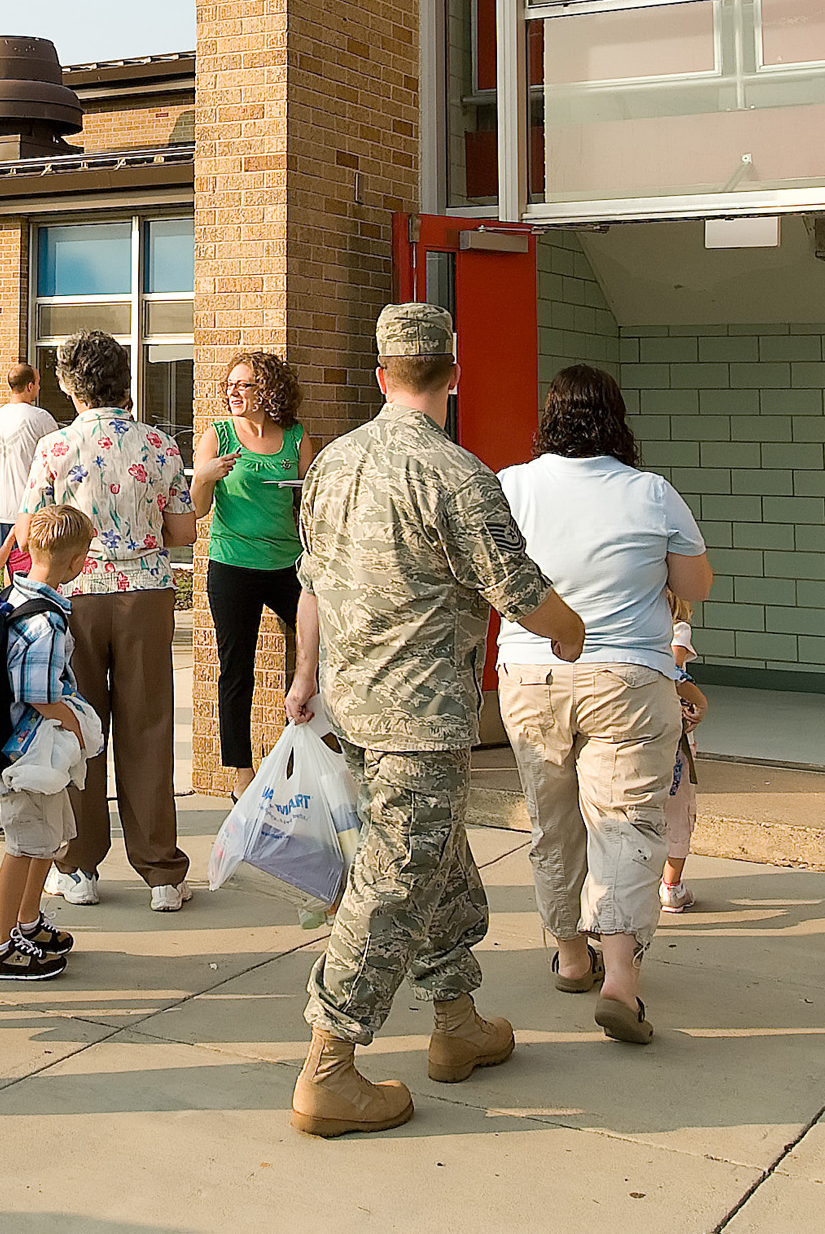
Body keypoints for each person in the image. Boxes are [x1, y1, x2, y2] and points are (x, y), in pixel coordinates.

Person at [284, 302, 585, 1139]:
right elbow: (519, 591)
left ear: (382, 375)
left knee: (440, 863)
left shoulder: (333, 465)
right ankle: (328, 1068)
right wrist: (575, 632)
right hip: (421, 717)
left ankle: (455, 1023)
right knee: (394, 883)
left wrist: (305, 676)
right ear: (453, 374)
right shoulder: (455, 475)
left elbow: (310, 583)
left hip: (356, 709)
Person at [495, 363, 712, 1046]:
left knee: (551, 823)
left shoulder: (512, 485)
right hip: (628, 678)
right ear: (617, 418)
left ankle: (568, 955)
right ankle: (619, 978)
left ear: (551, 416)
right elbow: (694, 585)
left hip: (531, 676)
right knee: (623, 822)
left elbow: (487, 577)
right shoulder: (651, 493)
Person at [19, 326, 197, 911]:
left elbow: (30, 532)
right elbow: (181, 532)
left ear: (71, 386)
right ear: (126, 381)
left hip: (76, 594)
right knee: (148, 727)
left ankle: (78, 866)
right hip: (146, 592)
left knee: (77, 724)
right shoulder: (161, 445)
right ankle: (162, 872)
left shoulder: (55, 449)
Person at [190, 348, 317, 796]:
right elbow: (198, 510)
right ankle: (242, 778)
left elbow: (310, 504)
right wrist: (203, 475)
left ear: (267, 389)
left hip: (288, 566)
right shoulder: (219, 435)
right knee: (236, 669)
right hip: (233, 565)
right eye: (229, 385)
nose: (233, 392)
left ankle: (315, 753)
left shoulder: (296, 437)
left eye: (243, 384)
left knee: (318, 649)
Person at [0, 503, 96, 982]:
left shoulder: (15, 597)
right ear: (78, 565)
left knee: (45, 842)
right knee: (23, 846)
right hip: (25, 752)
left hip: (25, 750)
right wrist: (73, 721)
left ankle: (27, 922)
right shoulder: (44, 623)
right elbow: (37, 693)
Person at [0, 362, 57, 558]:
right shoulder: (41, 418)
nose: (39, 388)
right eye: (38, 383)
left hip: (3, 506)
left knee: (9, 566)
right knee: (36, 566)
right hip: (33, 508)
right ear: (29, 386)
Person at [661, 593, 700, 914]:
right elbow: (674, 668)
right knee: (679, 810)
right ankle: (671, 887)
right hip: (675, 739)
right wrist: (698, 699)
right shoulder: (679, 629)